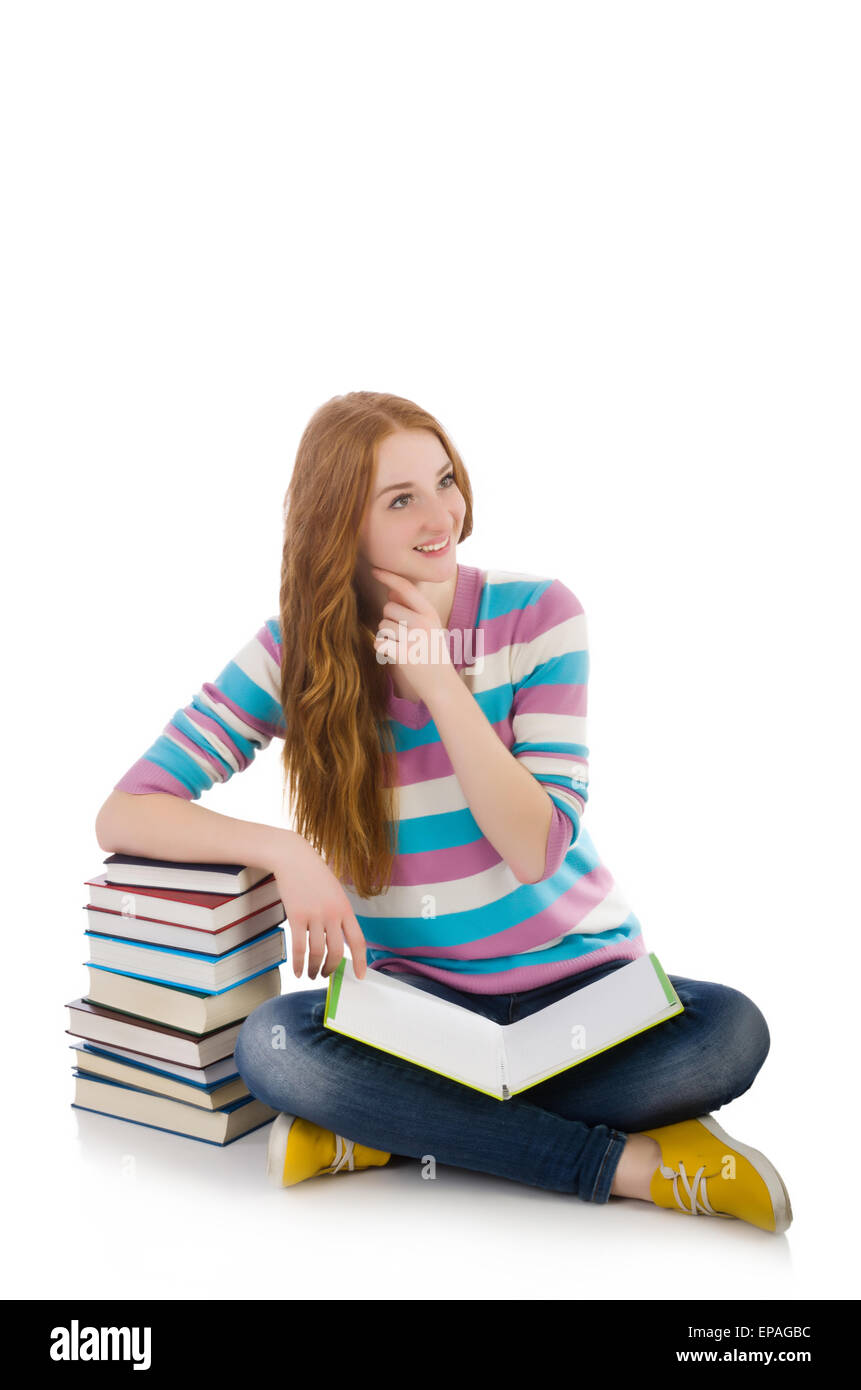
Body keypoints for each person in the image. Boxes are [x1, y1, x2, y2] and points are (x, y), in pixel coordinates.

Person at [95, 390, 792, 1234]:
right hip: (415, 1017)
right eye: (401, 500)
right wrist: (288, 851)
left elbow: (534, 849)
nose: (443, 516)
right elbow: (128, 809)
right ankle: (634, 1165)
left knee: (729, 1031)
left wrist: (434, 677)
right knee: (274, 1047)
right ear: (337, 527)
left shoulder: (538, 614)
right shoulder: (295, 651)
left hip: (580, 996)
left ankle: (388, 1128)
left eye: (444, 480)